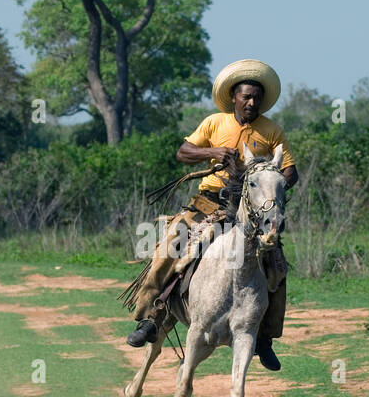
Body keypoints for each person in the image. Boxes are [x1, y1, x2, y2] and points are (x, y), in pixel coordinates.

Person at [125, 58, 298, 370]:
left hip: (251, 213)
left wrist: (270, 186)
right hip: (208, 204)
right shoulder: (214, 123)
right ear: (233, 97)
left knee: (276, 266)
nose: (252, 101)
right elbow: (183, 152)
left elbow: (290, 171)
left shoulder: (272, 131)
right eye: (246, 96)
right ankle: (150, 317)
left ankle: (264, 338)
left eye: (256, 97)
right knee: (169, 249)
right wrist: (213, 153)